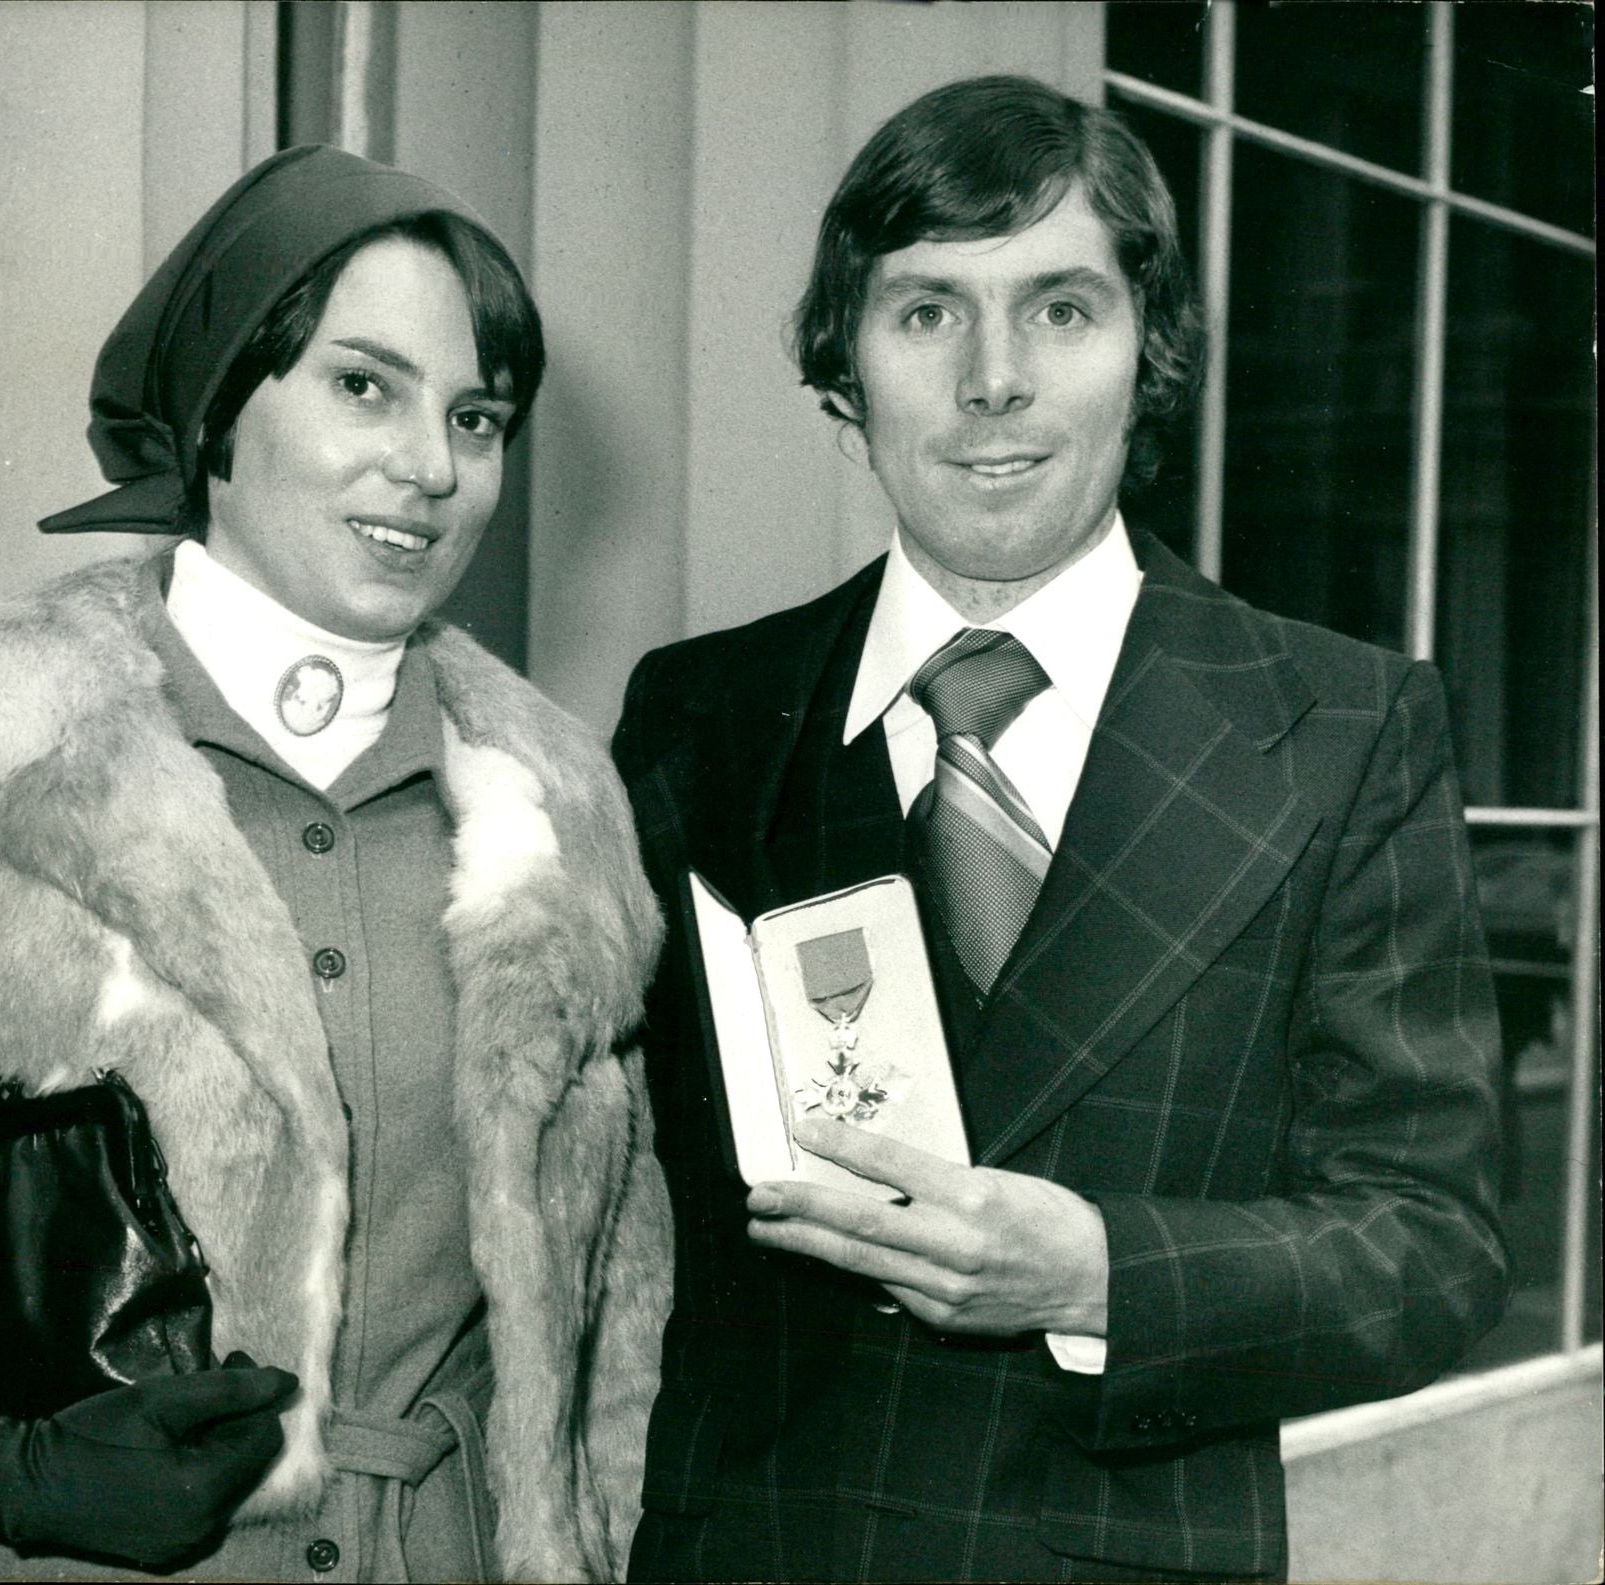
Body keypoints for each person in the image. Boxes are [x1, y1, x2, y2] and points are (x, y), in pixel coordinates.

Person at [0, 145, 670, 1582]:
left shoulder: (557, 805)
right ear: (221, 403)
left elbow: (618, 1310)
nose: (431, 467)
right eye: (365, 385)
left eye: (476, 417)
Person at [612, 76, 1507, 1583]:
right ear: (848, 366)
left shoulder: (1345, 732)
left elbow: (1435, 1245)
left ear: (1148, 353)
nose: (992, 381)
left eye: (1061, 311)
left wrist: (1099, 1270)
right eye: (925, 315)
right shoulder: (703, 714)